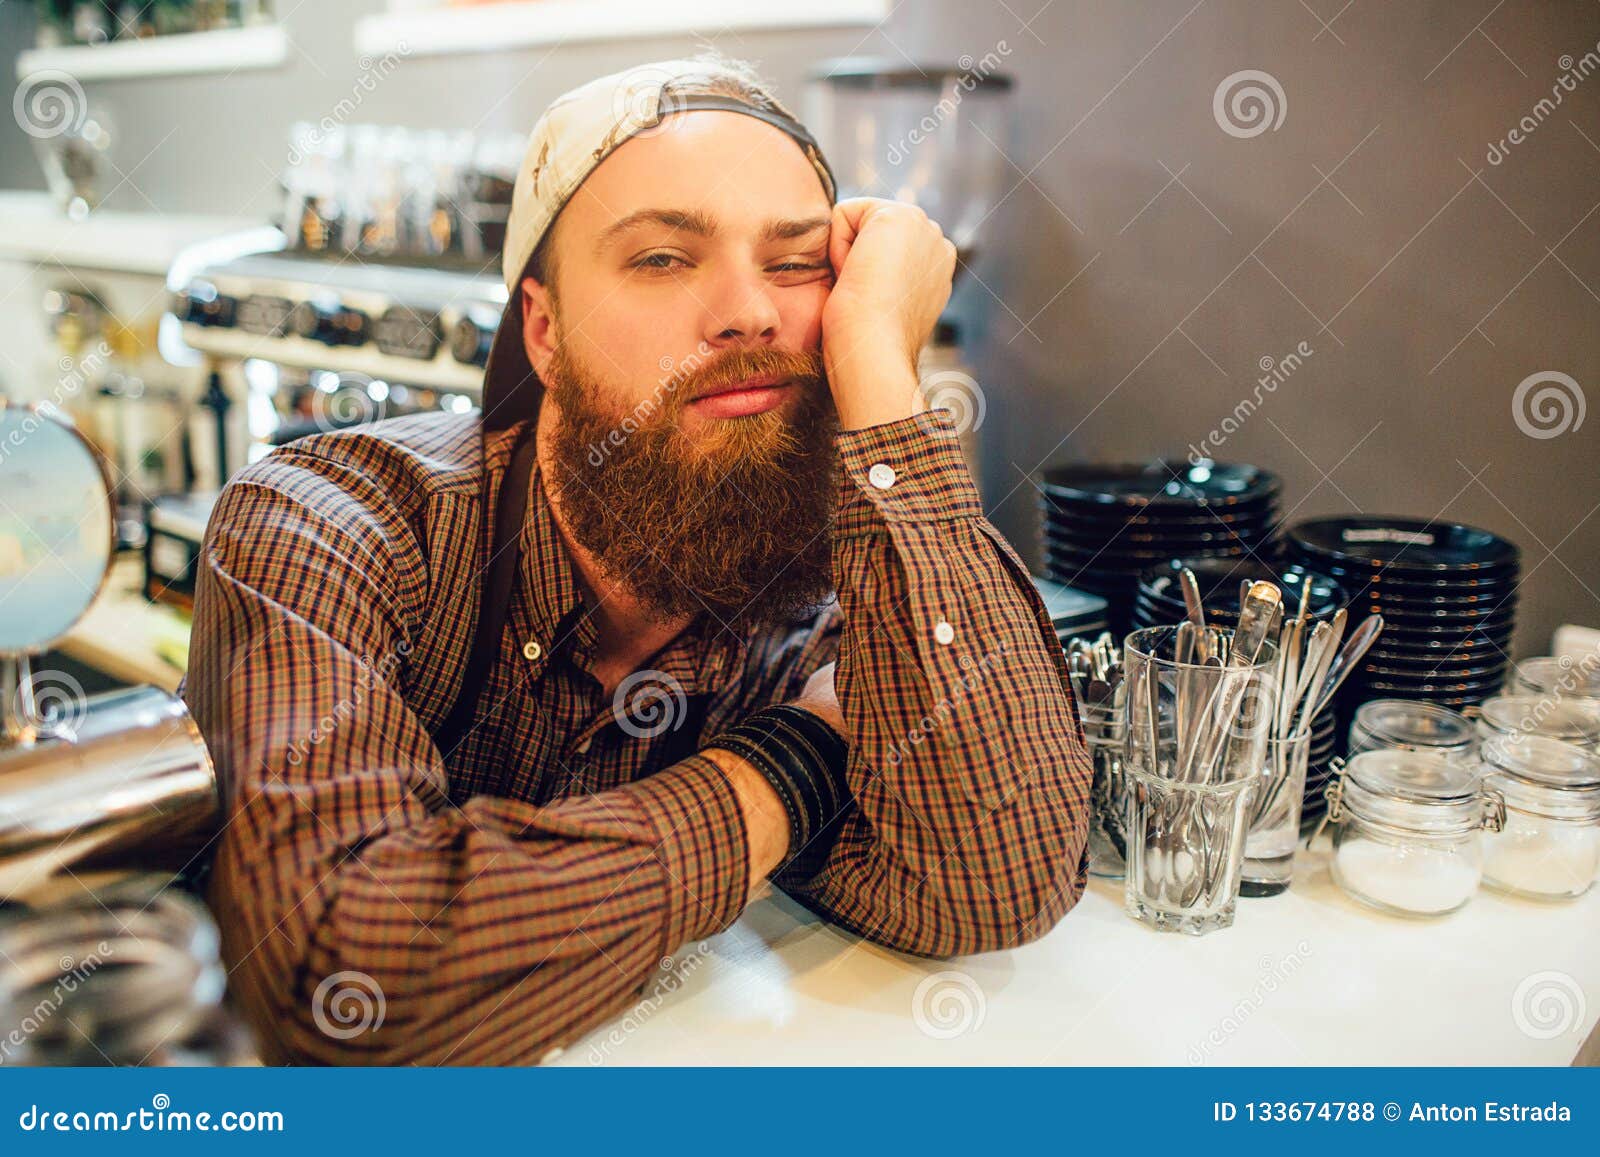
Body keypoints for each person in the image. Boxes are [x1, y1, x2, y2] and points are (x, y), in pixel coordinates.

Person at [184, 55, 1092, 1066]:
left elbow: (992, 876)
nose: (748, 311)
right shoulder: (331, 521)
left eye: (795, 262)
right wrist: (790, 761)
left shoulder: (834, 566)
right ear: (543, 327)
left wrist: (882, 370)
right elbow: (338, 983)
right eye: (663, 258)